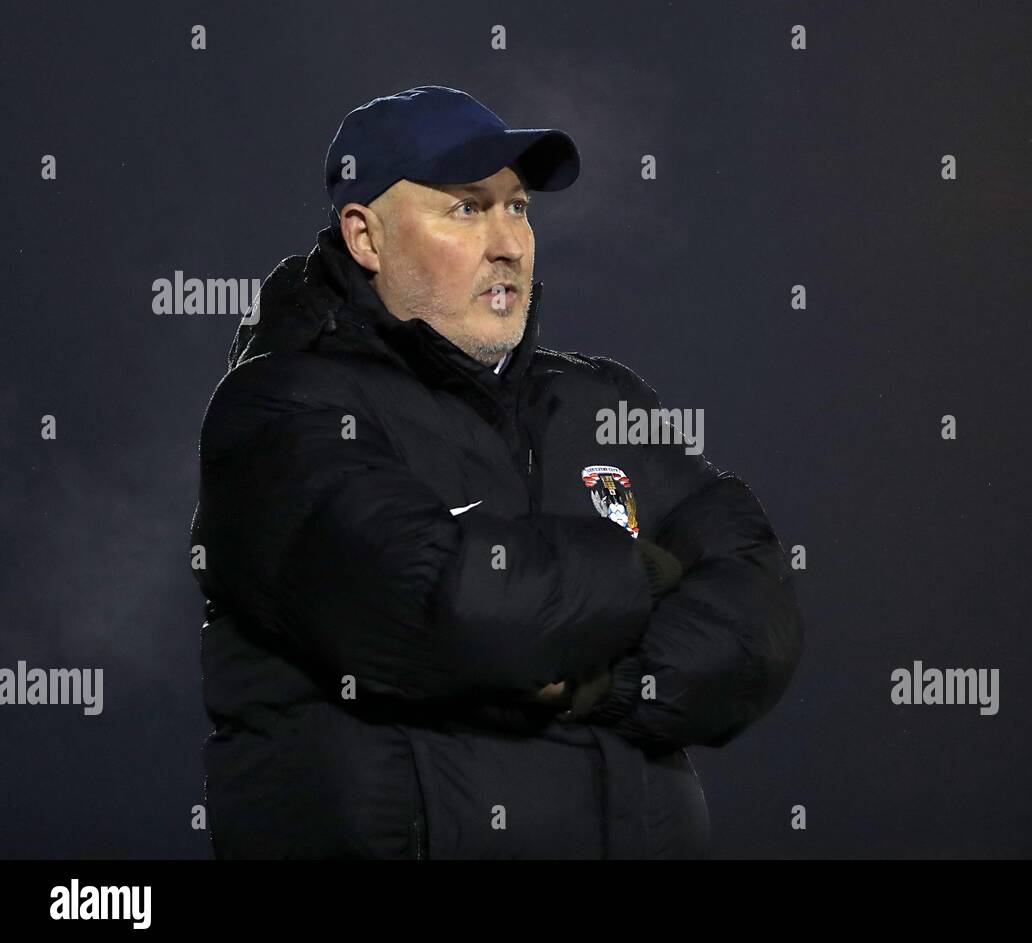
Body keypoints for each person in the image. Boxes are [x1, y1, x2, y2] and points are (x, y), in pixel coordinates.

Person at [189, 84, 804, 858]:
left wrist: (592, 682)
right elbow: (451, 605)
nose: (509, 241)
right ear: (366, 237)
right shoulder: (279, 411)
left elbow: (759, 610)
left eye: (518, 208)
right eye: (466, 209)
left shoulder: (601, 400)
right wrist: (648, 575)